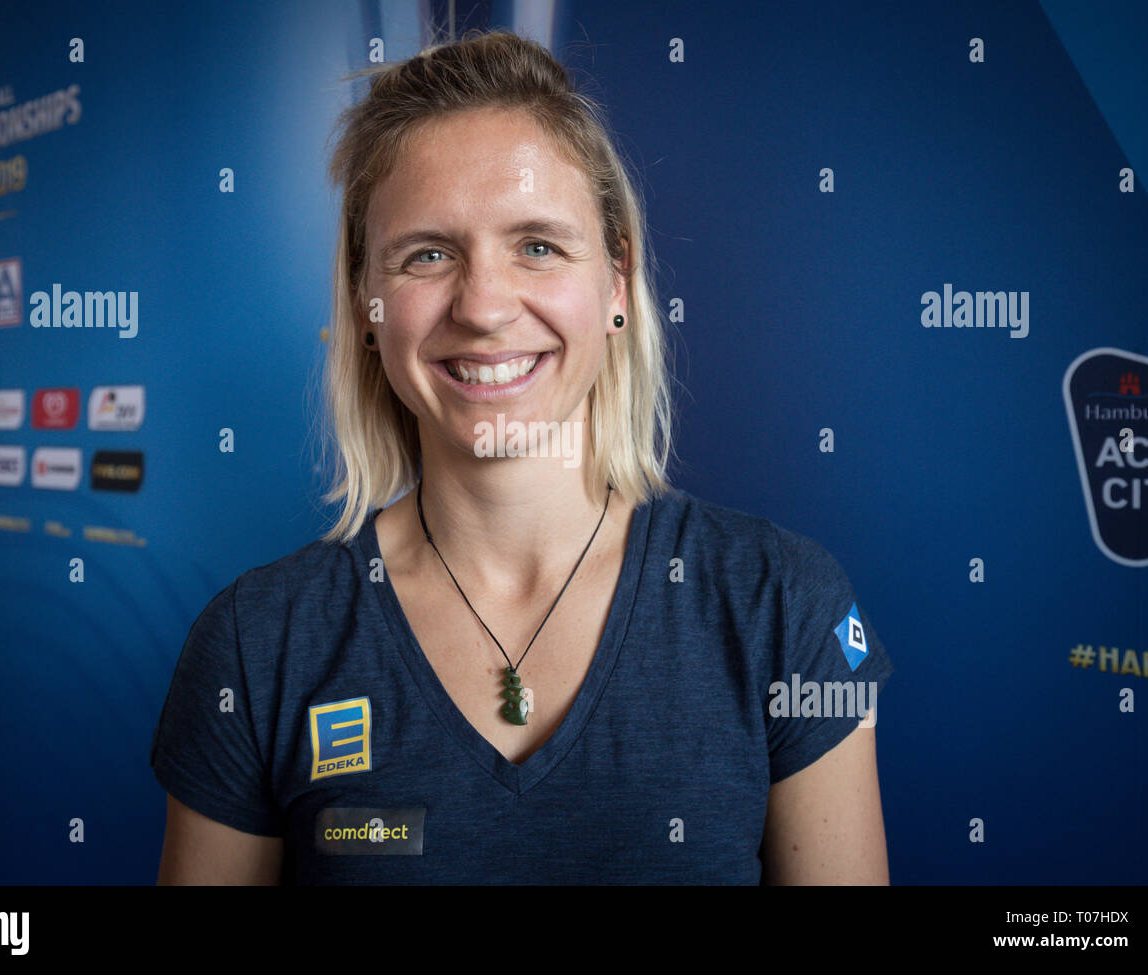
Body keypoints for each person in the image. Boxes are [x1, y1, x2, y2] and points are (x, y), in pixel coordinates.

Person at [151, 28, 893, 885]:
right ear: (365, 302)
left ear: (617, 284)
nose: (485, 306)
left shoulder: (781, 607)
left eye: (537, 245)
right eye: (428, 254)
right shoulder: (258, 645)